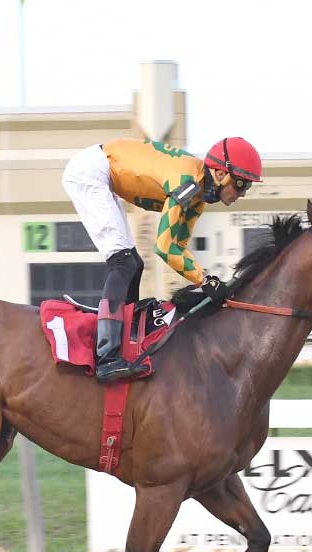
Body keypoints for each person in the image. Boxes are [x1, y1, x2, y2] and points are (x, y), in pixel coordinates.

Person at [61, 136, 262, 381]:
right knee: (123, 262)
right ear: (220, 174)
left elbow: (178, 248)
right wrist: (205, 280)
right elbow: (164, 247)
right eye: (241, 184)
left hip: (101, 171)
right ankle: (107, 356)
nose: (242, 193)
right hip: (90, 172)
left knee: (134, 264)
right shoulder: (187, 183)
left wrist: (206, 280)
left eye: (248, 187)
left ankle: (125, 344)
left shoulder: (198, 197)